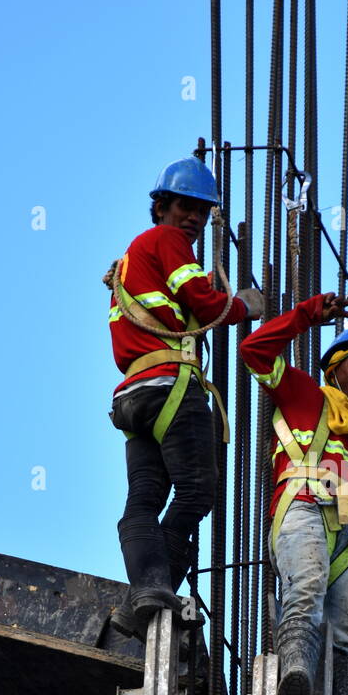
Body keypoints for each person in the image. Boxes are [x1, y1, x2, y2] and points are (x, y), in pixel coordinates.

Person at [107, 157, 263, 637]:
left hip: (134, 395)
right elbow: (201, 299)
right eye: (184, 206)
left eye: (201, 210)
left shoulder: (132, 259)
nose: (193, 218)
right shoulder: (168, 242)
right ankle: (156, 588)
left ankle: (147, 592)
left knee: (145, 498)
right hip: (170, 384)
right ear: (162, 207)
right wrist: (243, 306)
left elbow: (174, 310)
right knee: (196, 491)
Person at [240, 293, 348, 695]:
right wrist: (309, 315)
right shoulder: (303, 394)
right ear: (334, 369)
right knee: (305, 593)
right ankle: (295, 675)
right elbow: (253, 350)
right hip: (305, 510)